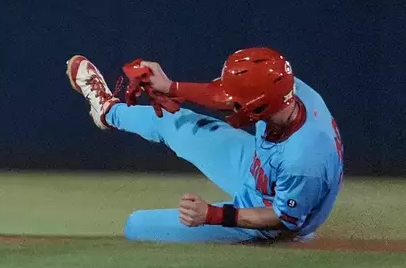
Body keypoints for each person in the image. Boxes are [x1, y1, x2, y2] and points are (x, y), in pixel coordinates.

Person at [65, 48, 343, 243]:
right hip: (260, 165)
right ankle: (107, 110)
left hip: (272, 214)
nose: (228, 102)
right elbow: (224, 96)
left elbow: (282, 218)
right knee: (173, 121)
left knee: (135, 226)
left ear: (260, 107)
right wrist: (171, 87)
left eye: (236, 101)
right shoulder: (285, 91)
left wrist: (212, 215)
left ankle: (296, 239)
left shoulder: (303, 159)